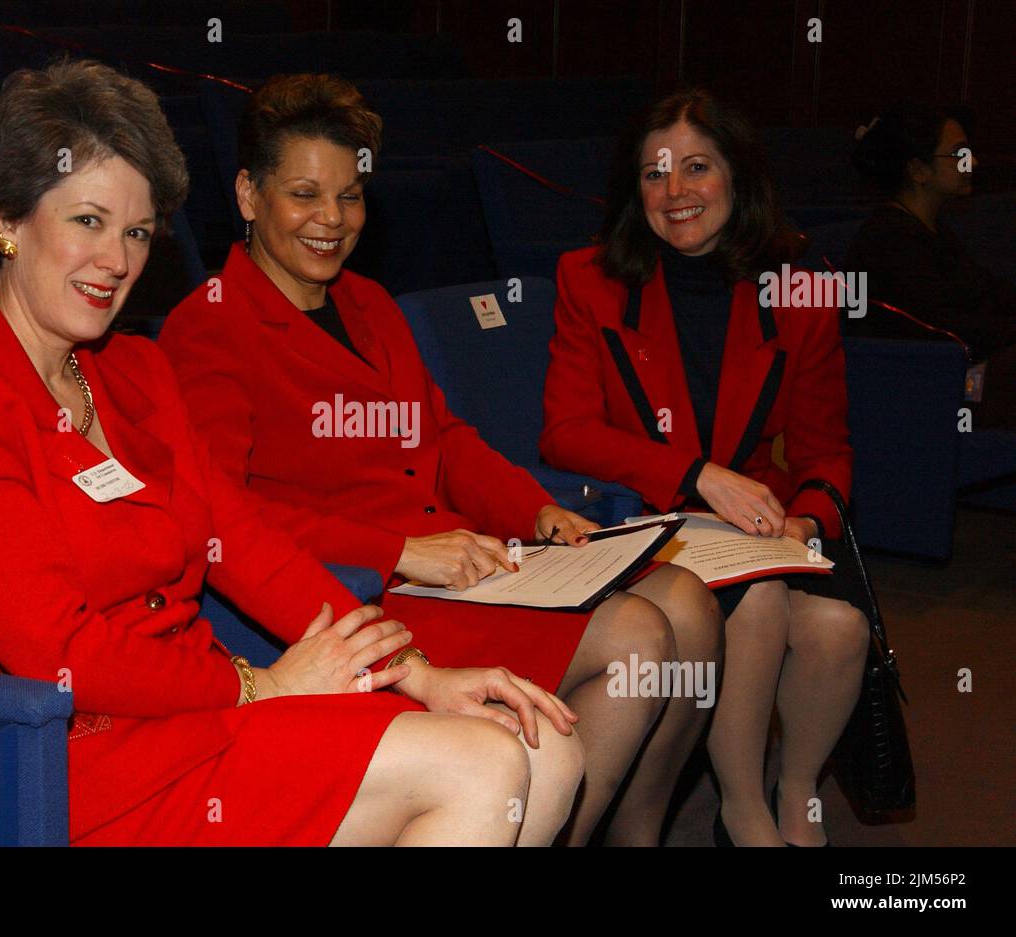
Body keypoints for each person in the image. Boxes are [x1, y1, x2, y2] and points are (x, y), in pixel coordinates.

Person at [0, 59, 585, 847]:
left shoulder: (134, 371)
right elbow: (58, 651)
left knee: (549, 752)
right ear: (9, 219)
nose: (117, 261)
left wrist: (416, 671)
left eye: (137, 232)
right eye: (88, 221)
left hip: (198, 718)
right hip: (64, 763)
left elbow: (242, 539)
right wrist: (259, 684)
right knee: (482, 766)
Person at [159, 73, 723, 846]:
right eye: (305, 194)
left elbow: (445, 438)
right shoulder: (209, 329)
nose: (332, 220)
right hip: (357, 596)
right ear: (250, 197)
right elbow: (226, 519)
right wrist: (400, 552)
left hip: (457, 562)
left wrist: (535, 509)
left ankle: (629, 829)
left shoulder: (371, 304)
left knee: (686, 599)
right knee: (640, 639)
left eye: (350, 196)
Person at [541, 88, 870, 846]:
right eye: (655, 173)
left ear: (738, 176)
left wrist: (806, 519)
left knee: (840, 632)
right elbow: (565, 433)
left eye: (697, 167)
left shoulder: (801, 291)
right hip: (642, 519)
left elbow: (826, 451)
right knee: (756, 607)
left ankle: (795, 794)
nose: (676, 192)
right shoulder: (588, 279)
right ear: (635, 187)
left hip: (756, 532)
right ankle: (741, 805)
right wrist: (696, 474)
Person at [846, 102, 1016, 429]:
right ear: (918, 170)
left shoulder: (934, 230)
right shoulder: (887, 242)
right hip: (928, 389)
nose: (973, 162)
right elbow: (939, 329)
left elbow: (991, 292)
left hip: (961, 372)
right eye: (959, 154)